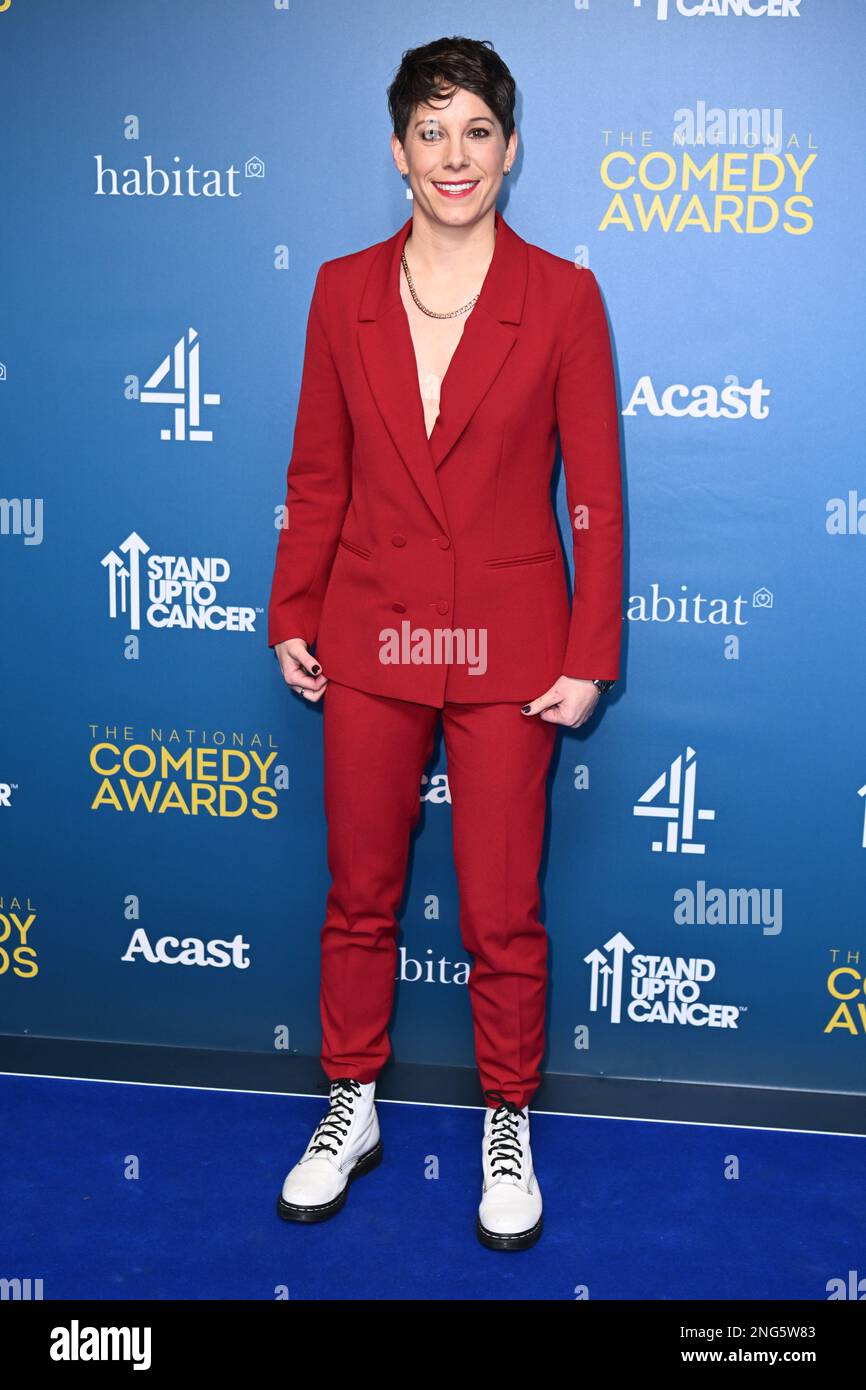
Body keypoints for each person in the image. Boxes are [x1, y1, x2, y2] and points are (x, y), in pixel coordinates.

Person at [267, 35, 623, 1251]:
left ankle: (505, 1115)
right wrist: (291, 611)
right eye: (431, 131)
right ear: (396, 150)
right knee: (360, 894)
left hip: (510, 652)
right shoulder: (337, 289)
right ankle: (349, 1101)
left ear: (509, 149)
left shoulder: (565, 298)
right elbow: (317, 475)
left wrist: (588, 651)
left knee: (501, 909)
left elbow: (595, 497)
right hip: (369, 632)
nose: (453, 155)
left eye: (475, 130)